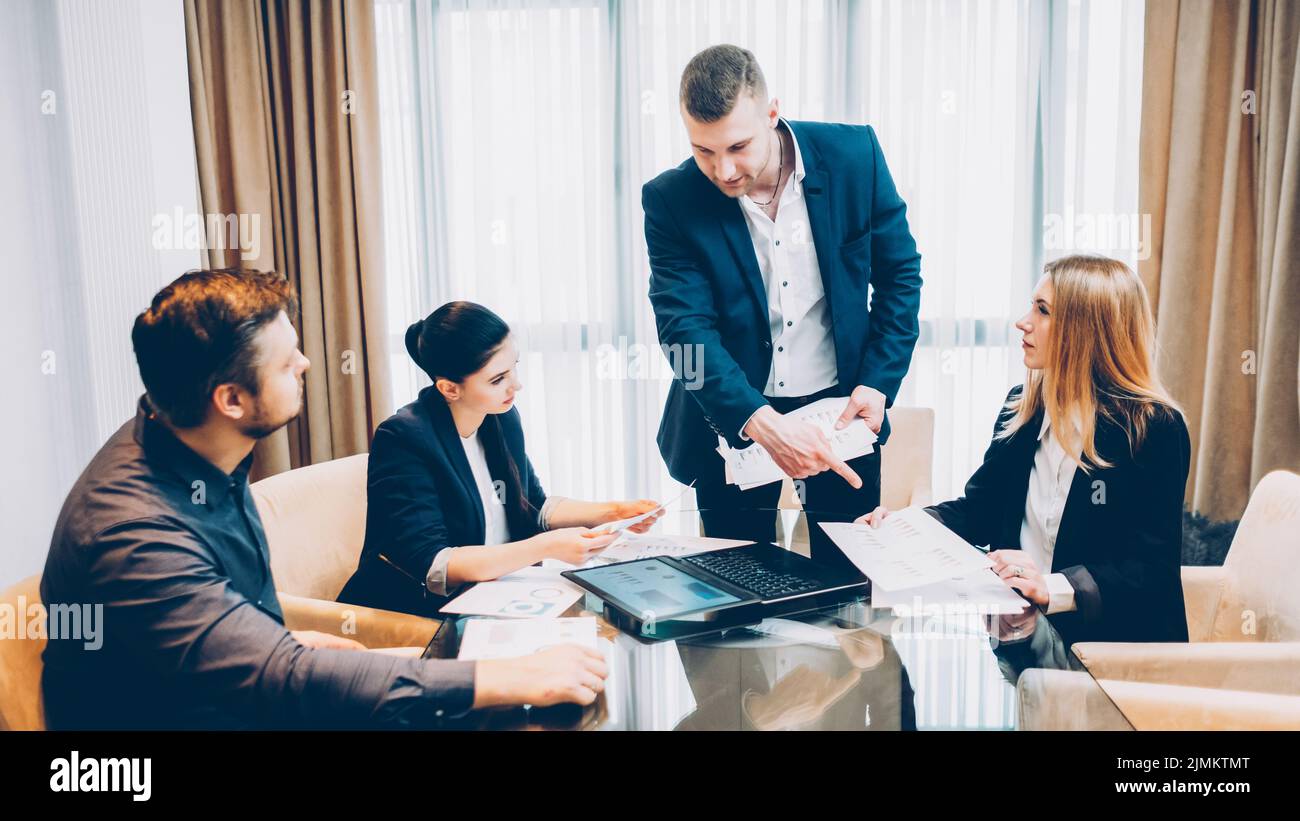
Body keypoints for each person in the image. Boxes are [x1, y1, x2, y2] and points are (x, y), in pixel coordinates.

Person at [40, 269, 607, 729]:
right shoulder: (135, 536)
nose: (307, 364)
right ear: (231, 398)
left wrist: (292, 642)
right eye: (287, 361)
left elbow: (236, 638)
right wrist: (504, 676)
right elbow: (276, 678)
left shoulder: (188, 439)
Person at [642, 44, 922, 566]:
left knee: (848, 593)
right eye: (704, 150)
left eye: (739, 146)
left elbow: (899, 275)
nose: (723, 170)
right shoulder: (671, 199)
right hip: (734, 418)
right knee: (735, 597)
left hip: (840, 410)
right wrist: (761, 423)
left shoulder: (854, 156)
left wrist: (879, 382)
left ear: (772, 113)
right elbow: (684, 334)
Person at [857, 254, 1191, 647]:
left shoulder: (1153, 428)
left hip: (1111, 652)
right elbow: (979, 512)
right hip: (1019, 633)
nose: (1022, 322)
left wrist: (1053, 587)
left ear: (1087, 330)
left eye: (1043, 310)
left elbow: (1150, 571)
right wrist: (906, 527)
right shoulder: (1023, 407)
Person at [338, 301, 661, 618]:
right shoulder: (404, 438)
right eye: (498, 379)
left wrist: (611, 512)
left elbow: (532, 503)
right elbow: (435, 566)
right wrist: (545, 547)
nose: (516, 385)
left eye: (515, 367)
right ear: (450, 389)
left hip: (499, 596)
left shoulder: (500, 417)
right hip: (418, 615)